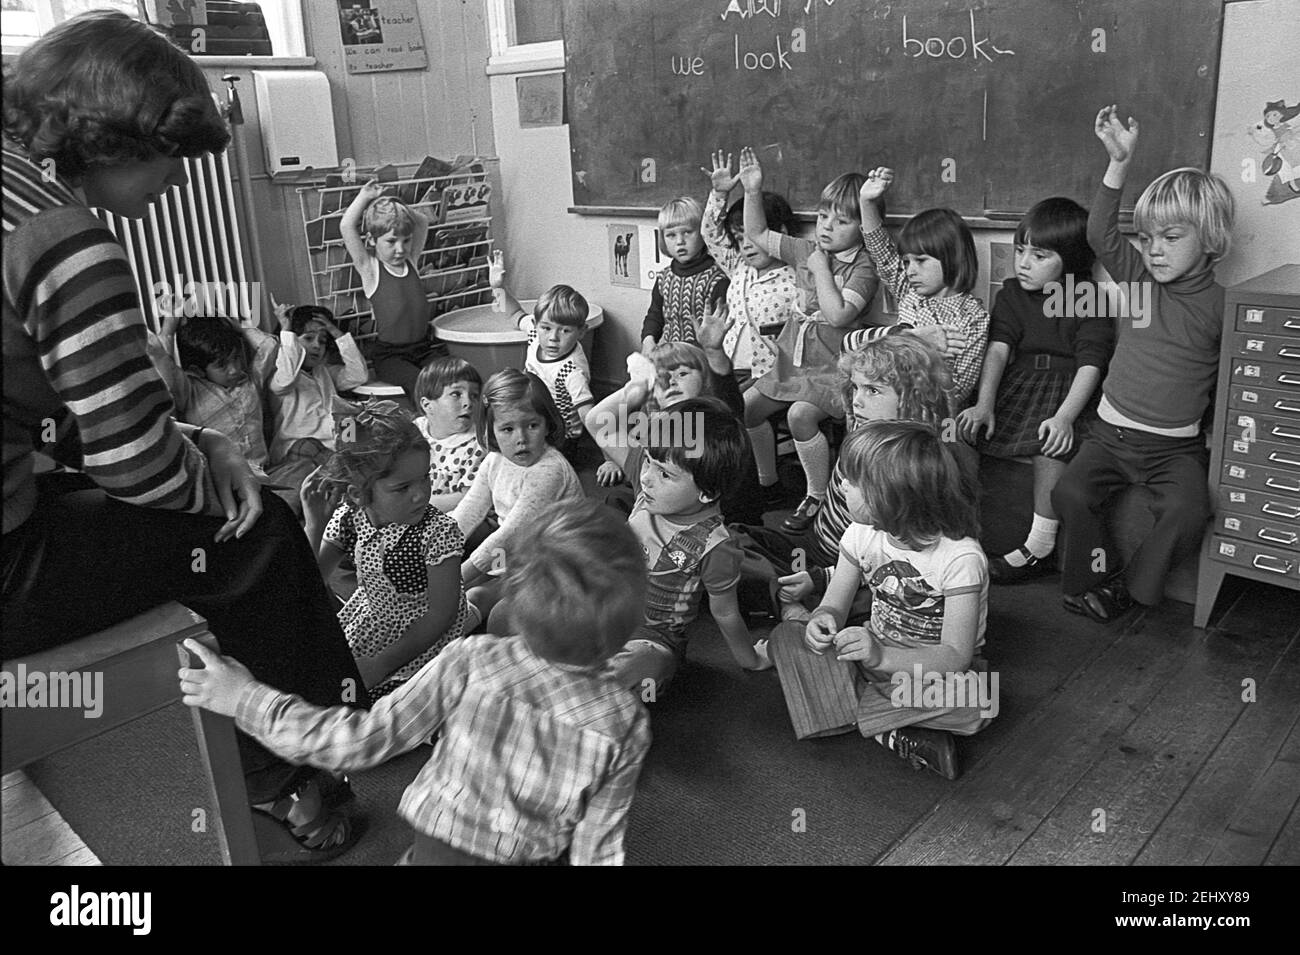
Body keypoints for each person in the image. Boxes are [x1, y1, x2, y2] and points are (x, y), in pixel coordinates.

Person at [2, 9, 363, 862]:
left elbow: (64, 416)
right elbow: (135, 465)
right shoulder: (60, 241)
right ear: (115, 140)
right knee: (259, 530)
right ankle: (311, 755)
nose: (175, 185)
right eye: (170, 161)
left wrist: (203, 442)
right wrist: (212, 463)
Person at [180, 500, 652, 866]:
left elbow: (357, 742)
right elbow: (598, 847)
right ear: (630, 623)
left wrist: (246, 699)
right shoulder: (625, 721)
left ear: (515, 602)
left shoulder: (473, 661)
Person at [1051, 106, 1235, 622]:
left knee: (1189, 510)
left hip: (1173, 448)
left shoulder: (1222, 306)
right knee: (1071, 490)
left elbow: (1228, 380)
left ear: (1211, 240)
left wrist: (1215, 439)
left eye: (1171, 238)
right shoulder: (1139, 282)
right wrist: (1118, 164)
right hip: (1109, 436)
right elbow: (1099, 234)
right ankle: (1093, 574)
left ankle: (1128, 589)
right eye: (1149, 238)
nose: (1154, 250)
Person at [768, 421, 991, 780]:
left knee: (979, 700)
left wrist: (882, 657)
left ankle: (859, 715)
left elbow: (954, 656)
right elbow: (834, 605)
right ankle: (892, 725)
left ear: (892, 497)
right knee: (787, 638)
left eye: (854, 482)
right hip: (870, 650)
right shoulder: (859, 535)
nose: (842, 485)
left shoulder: (960, 559)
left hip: (929, 672)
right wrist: (821, 621)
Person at [733, 334, 964, 623]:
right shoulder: (863, 428)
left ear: (913, 397)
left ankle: (793, 603)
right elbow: (850, 339)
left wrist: (820, 579)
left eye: (873, 391)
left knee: (896, 593)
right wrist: (911, 330)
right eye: (855, 388)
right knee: (729, 540)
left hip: (866, 569)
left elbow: (905, 558)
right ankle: (792, 600)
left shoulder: (919, 465)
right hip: (817, 549)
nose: (857, 400)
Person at [957, 197, 1113, 583]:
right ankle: (961, 530)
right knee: (959, 431)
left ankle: (1039, 545)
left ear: (1072, 260)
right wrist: (984, 403)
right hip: (1019, 383)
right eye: (1020, 250)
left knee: (1051, 444)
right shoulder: (1012, 294)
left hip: (1066, 391)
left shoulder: (1088, 298)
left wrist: (1064, 417)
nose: (1023, 262)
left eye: (1039, 255)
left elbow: (1091, 362)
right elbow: (997, 350)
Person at [738, 147, 879, 533]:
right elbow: (757, 235)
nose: (827, 227)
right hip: (794, 359)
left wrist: (820, 271)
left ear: (861, 228)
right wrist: (753, 191)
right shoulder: (807, 249)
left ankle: (816, 494)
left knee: (800, 415)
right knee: (746, 406)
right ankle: (769, 483)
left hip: (834, 367)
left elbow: (838, 316)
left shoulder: (863, 266)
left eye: (842, 221)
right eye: (822, 217)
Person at [592, 397, 773, 697]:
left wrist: (751, 659)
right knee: (513, 610)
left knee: (645, 666)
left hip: (654, 638)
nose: (646, 477)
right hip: (605, 610)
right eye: (647, 461)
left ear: (707, 492)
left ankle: (577, 689)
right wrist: (634, 388)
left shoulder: (717, 547)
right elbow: (599, 423)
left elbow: (726, 613)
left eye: (664, 473)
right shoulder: (649, 491)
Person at [303, 401, 468, 700]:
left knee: (385, 702)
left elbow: (440, 616)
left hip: (423, 635)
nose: (421, 494)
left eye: (425, 478)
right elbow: (309, 584)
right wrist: (315, 524)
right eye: (402, 488)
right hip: (370, 619)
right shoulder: (348, 518)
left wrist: (381, 664)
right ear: (357, 493)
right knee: (319, 680)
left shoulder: (438, 532)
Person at [845, 168, 990, 410]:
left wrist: (923, 356)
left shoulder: (972, 317)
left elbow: (959, 390)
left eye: (920, 261)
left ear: (952, 257)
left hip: (925, 413)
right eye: (906, 262)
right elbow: (879, 248)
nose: (910, 270)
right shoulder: (908, 291)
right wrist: (866, 202)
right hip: (880, 400)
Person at [449, 369, 586, 626]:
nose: (521, 439)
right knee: (463, 590)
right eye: (507, 429)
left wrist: (457, 576)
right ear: (491, 430)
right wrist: (435, 548)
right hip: (518, 556)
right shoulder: (495, 460)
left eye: (532, 425)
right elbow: (469, 510)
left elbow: (510, 533)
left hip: (559, 565)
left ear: (547, 425)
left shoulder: (550, 469)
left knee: (480, 598)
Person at [488, 254, 601, 470]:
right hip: (530, 416)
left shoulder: (570, 371)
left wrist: (610, 458)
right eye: (546, 328)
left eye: (565, 331)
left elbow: (589, 416)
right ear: (537, 323)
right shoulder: (534, 331)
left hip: (559, 435)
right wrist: (498, 287)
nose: (552, 338)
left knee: (533, 467)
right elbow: (512, 312)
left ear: (581, 332)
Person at [699, 151, 800, 391]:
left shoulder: (798, 275)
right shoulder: (739, 267)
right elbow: (710, 233)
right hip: (730, 366)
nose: (745, 245)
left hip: (769, 375)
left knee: (734, 411)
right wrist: (720, 193)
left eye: (752, 236)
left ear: (780, 232)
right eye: (738, 237)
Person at [341, 179, 442, 398]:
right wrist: (365, 197)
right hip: (391, 356)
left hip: (423, 348)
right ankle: (427, 427)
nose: (400, 249)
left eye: (406, 241)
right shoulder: (371, 269)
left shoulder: (411, 262)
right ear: (371, 240)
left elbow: (422, 222)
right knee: (420, 383)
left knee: (452, 374)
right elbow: (346, 226)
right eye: (391, 241)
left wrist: (396, 207)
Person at [148, 311, 278, 474]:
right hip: (224, 481)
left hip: (263, 473)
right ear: (197, 370)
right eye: (222, 366)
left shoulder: (250, 381)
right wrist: (169, 329)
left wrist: (243, 328)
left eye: (236, 358)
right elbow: (163, 365)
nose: (234, 369)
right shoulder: (190, 391)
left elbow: (269, 347)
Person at [640, 196, 730, 350]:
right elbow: (655, 315)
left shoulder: (717, 279)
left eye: (687, 232)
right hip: (669, 356)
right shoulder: (664, 278)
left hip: (703, 359)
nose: (680, 241)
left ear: (703, 233)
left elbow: (723, 328)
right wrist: (648, 340)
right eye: (671, 235)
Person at [411, 356, 485, 513]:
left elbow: (470, 498)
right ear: (427, 405)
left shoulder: (477, 443)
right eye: (456, 394)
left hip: (463, 514)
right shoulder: (415, 431)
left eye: (474, 396)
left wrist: (422, 505)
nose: (468, 403)